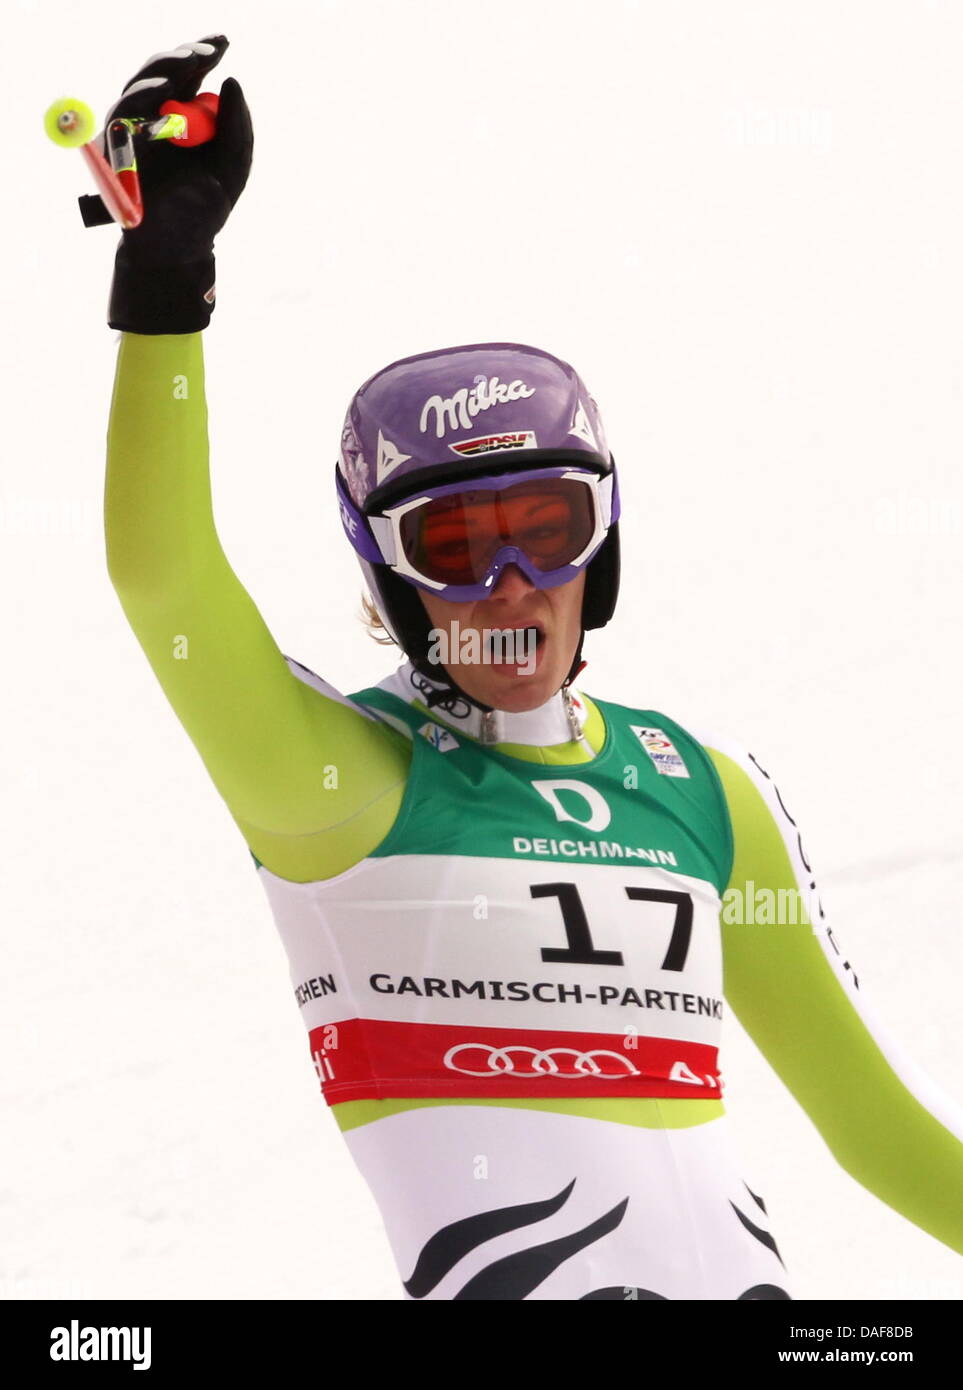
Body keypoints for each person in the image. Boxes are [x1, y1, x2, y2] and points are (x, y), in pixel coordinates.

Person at [99, 36, 963, 1300]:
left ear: (599, 548)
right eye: (452, 543)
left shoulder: (706, 792)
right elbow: (164, 582)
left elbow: (872, 1130)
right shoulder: (340, 784)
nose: (507, 583)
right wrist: (166, 284)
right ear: (391, 580)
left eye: (544, 530)